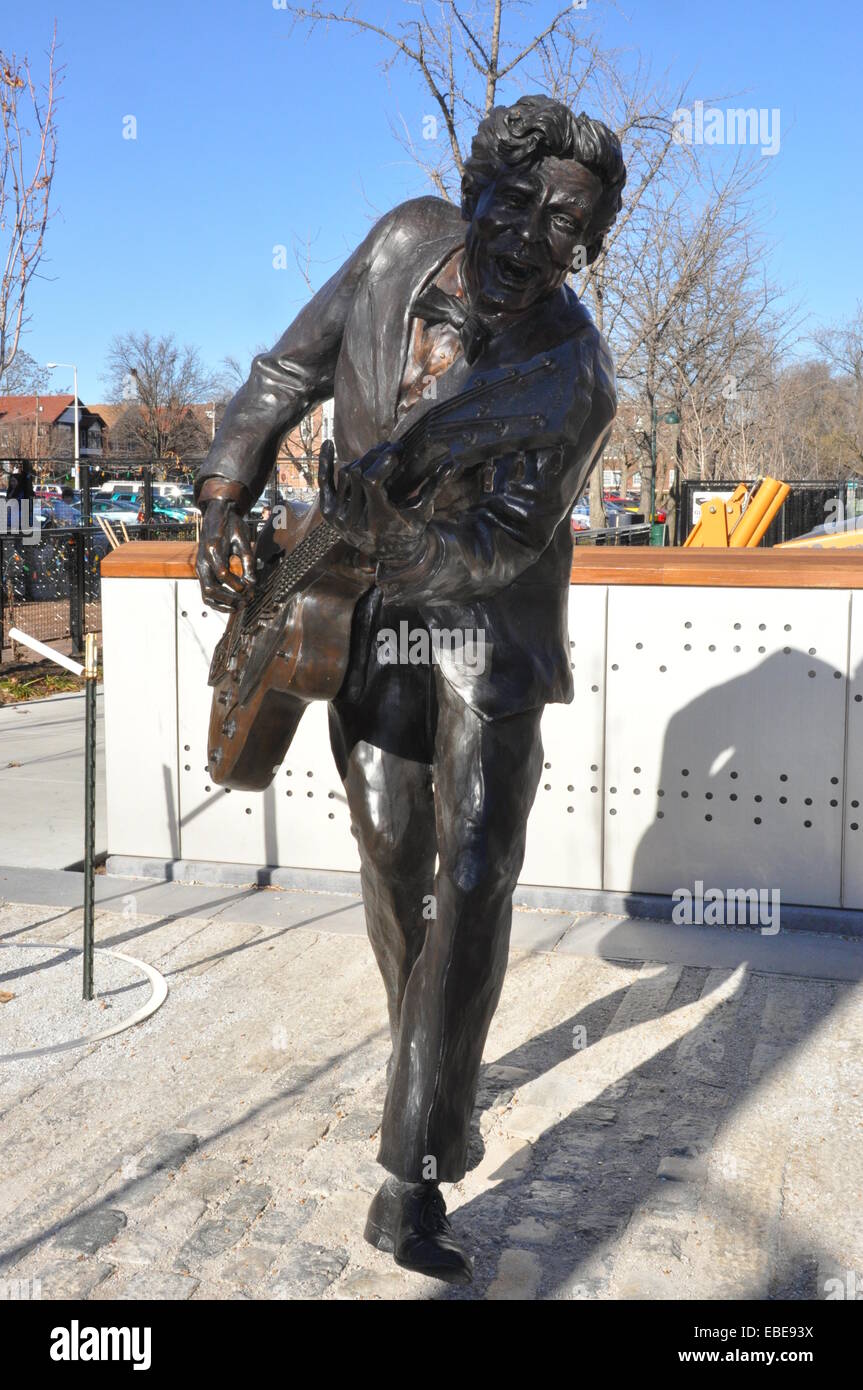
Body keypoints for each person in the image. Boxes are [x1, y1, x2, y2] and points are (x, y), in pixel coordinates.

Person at [195, 94, 625, 1284]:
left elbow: (499, 542)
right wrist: (223, 491)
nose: (535, 238)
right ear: (475, 183)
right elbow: (291, 363)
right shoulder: (397, 241)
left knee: (472, 874)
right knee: (393, 860)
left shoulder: (573, 377)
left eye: (568, 228)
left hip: (486, 634)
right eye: (522, 204)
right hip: (365, 617)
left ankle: (414, 1168)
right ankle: (428, 1055)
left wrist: (399, 536)